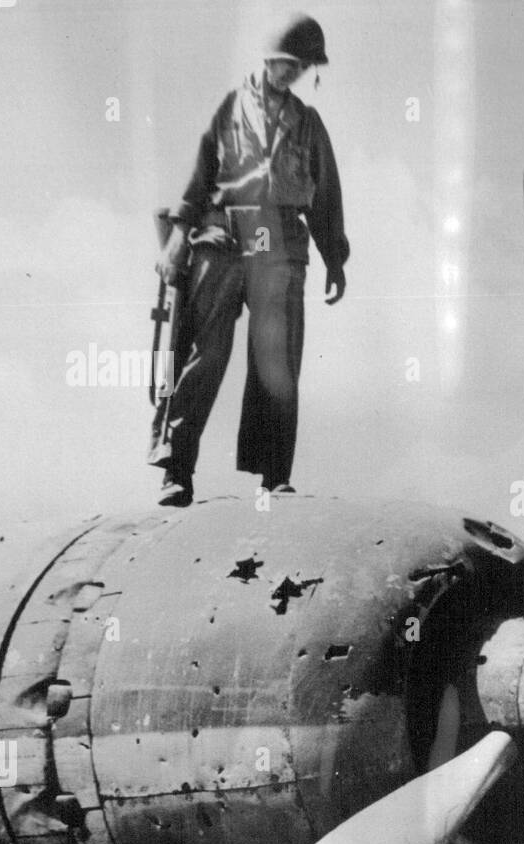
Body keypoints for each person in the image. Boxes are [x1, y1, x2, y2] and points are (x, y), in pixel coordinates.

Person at [150, 13, 350, 506]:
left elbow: (327, 197)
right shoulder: (230, 109)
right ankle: (177, 470)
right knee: (204, 355)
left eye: (301, 67)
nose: (293, 73)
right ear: (268, 58)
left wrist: (334, 258)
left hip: (277, 238)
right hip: (222, 234)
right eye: (287, 63)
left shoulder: (308, 123)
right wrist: (179, 237)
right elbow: (200, 177)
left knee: (277, 362)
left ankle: (274, 475)